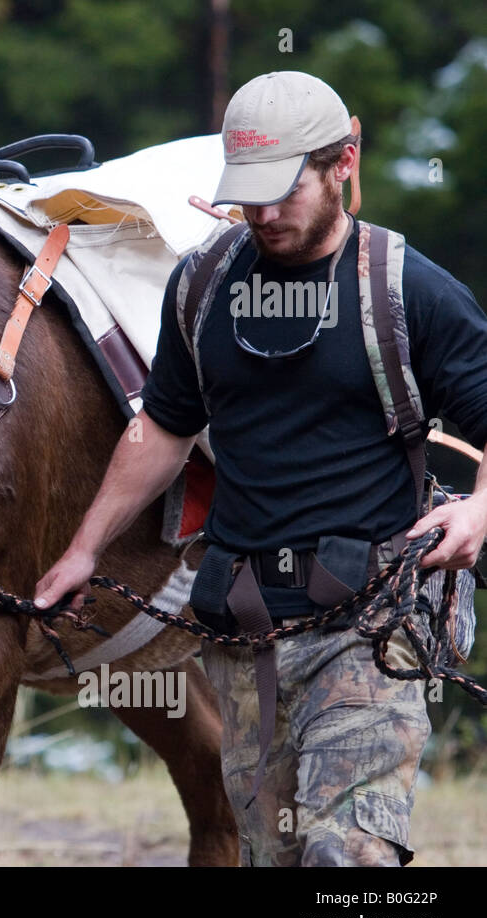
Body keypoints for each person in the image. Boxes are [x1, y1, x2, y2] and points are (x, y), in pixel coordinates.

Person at [32, 71, 487, 866]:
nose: (263, 214)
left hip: (372, 626)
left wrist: (481, 511)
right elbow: (163, 429)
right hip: (245, 635)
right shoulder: (202, 287)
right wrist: (83, 551)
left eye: (283, 190)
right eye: (248, 194)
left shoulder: (408, 291)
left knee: (346, 858)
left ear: (343, 162)